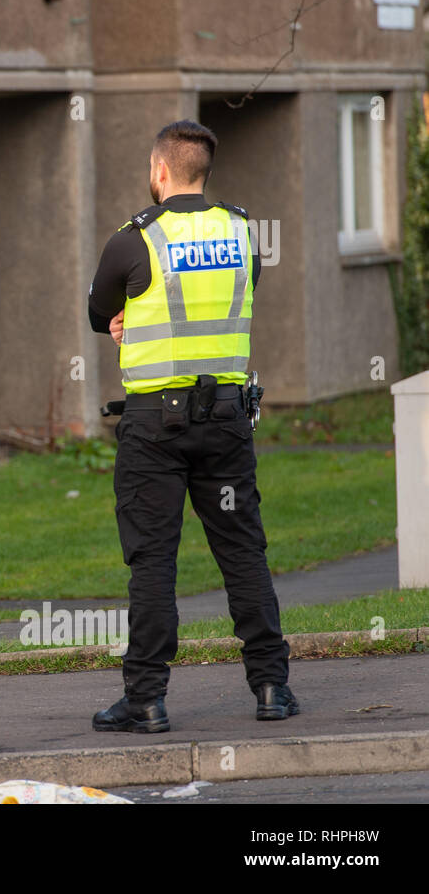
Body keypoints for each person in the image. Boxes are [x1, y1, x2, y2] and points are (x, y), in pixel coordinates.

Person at [87, 120, 297, 733]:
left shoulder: (133, 239)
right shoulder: (241, 231)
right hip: (228, 420)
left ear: (159, 171)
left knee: (153, 560)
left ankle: (146, 700)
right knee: (243, 552)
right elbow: (234, 298)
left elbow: (101, 313)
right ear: (203, 171)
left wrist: (125, 320)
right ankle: (271, 690)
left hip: (156, 426)